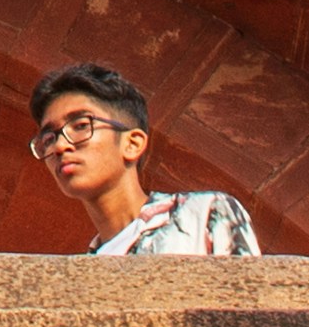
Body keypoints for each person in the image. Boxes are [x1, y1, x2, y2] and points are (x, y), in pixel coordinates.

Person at [32, 62, 256, 255]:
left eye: (81, 126)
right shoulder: (79, 277)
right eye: (49, 139)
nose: (61, 146)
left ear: (132, 144)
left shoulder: (201, 214)